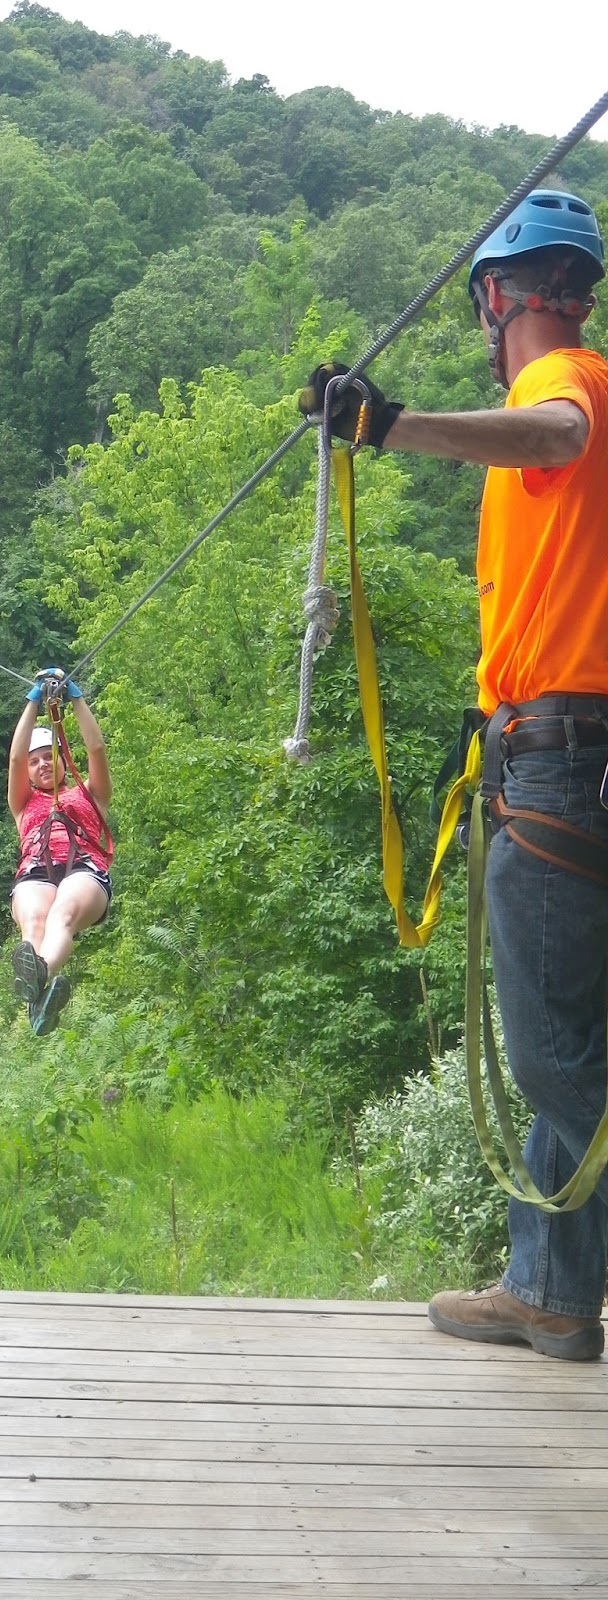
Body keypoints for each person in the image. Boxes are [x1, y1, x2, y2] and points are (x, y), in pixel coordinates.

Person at [301, 187, 608, 1360]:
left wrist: (392, 428)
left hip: (565, 764)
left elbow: (553, 435)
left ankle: (554, 1287)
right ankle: (553, 1292)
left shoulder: (560, 384)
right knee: (572, 1040)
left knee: (549, 1051)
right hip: (555, 739)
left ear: (497, 297)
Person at [8, 670, 113, 1037]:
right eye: (35, 762)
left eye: (49, 757)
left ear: (64, 760)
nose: (42, 764)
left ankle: (40, 974)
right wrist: (32, 701)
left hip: (84, 870)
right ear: (30, 772)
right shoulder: (22, 803)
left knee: (62, 913)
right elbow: (15, 758)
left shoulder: (90, 794)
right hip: (36, 871)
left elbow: (96, 749)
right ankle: (38, 1005)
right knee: (35, 920)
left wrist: (77, 699)